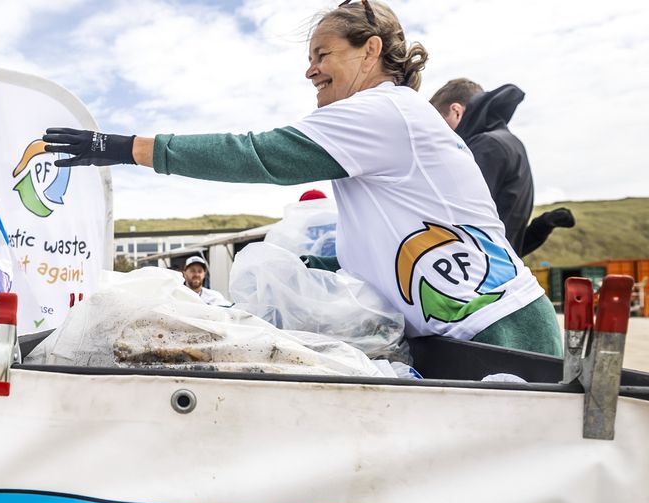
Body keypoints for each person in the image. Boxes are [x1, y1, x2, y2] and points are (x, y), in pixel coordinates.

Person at [43, 0, 560, 356]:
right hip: (464, 327)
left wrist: (125, 148)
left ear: (371, 51)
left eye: (322, 54)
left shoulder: (383, 111)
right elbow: (376, 243)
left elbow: (260, 155)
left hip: (501, 327)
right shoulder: (381, 127)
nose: (310, 70)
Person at [429, 78, 575, 256]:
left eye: (438, 124)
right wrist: (541, 227)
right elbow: (507, 240)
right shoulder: (510, 143)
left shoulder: (486, 146)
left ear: (456, 111)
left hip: (476, 271)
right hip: (497, 269)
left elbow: (459, 216)